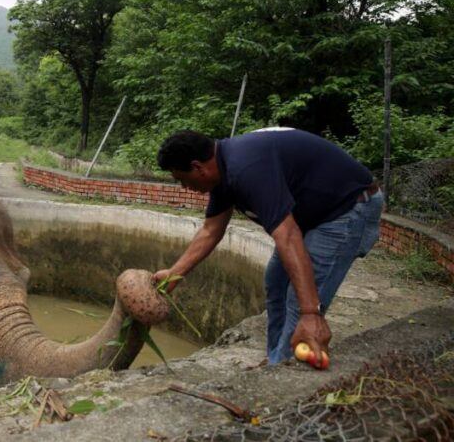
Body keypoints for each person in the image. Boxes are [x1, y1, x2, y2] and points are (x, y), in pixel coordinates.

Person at [153, 128, 384, 366]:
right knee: (276, 282)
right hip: (313, 218)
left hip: (348, 209)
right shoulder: (223, 172)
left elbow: (287, 235)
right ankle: (277, 356)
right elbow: (211, 231)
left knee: (300, 301)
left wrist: (311, 313)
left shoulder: (245, 168)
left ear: (198, 167)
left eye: (181, 179)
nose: (184, 187)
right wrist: (174, 275)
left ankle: (283, 368)